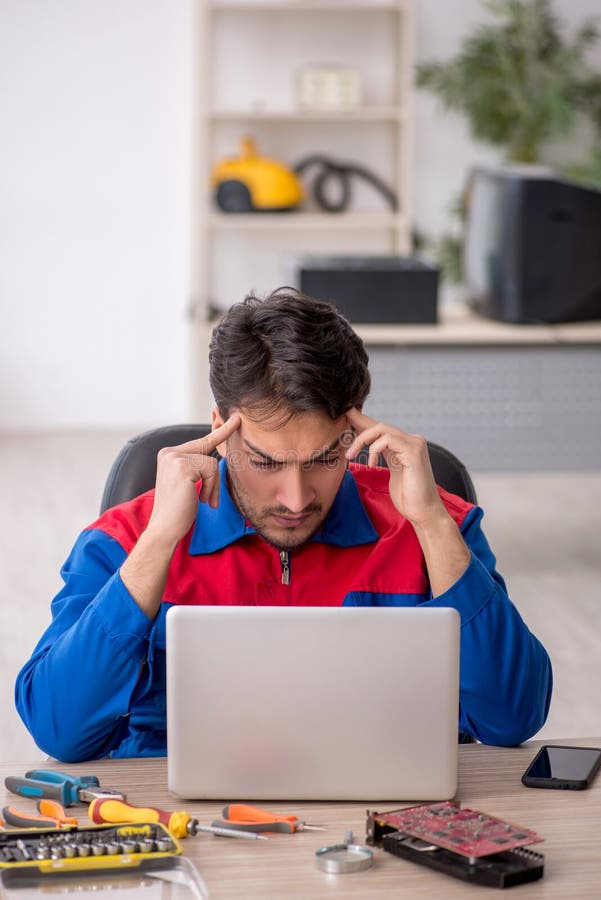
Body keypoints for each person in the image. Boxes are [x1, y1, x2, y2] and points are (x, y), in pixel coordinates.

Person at [15, 287, 552, 761]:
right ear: (220, 430)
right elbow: (60, 732)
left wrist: (431, 522)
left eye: (324, 457)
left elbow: (513, 718)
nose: (296, 499)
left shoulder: (438, 526)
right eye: (266, 462)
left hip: (387, 810)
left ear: (355, 430)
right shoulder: (127, 538)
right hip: (185, 820)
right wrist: (158, 543)